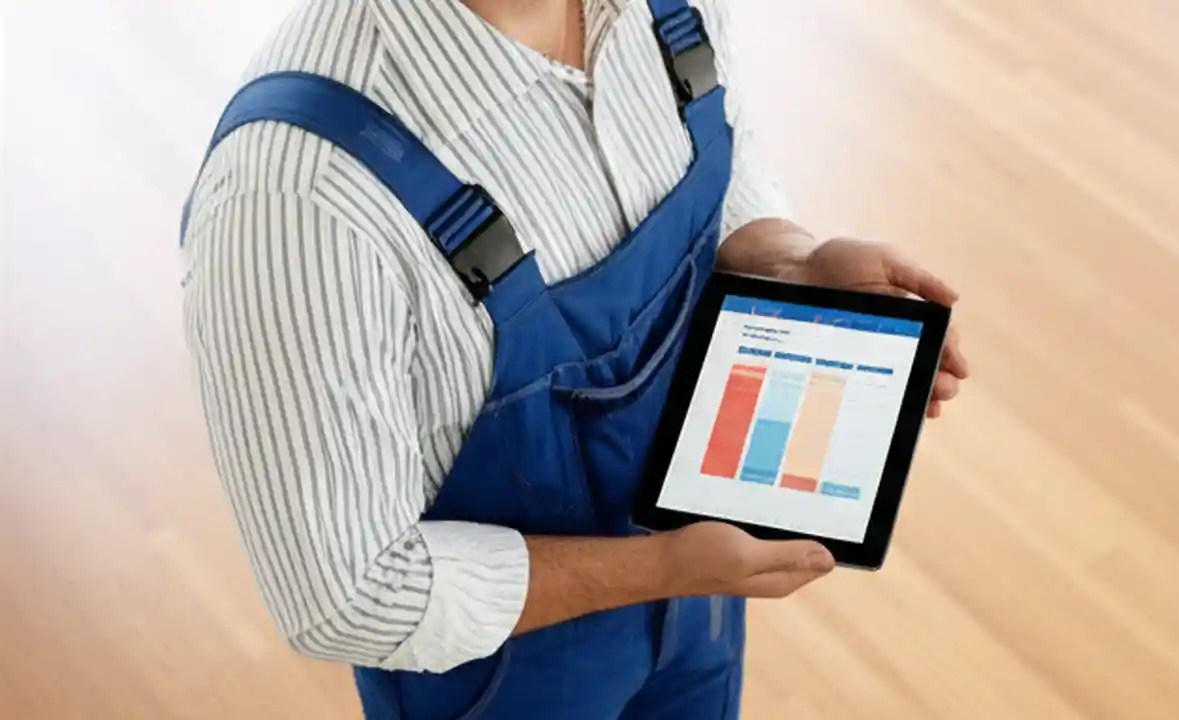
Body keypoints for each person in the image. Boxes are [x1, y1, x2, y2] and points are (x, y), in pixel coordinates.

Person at [180, 0, 968, 717]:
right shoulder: (296, 199)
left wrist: (789, 260)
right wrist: (659, 569)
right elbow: (349, 597)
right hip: (503, 675)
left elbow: (712, 149)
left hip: (700, 585)